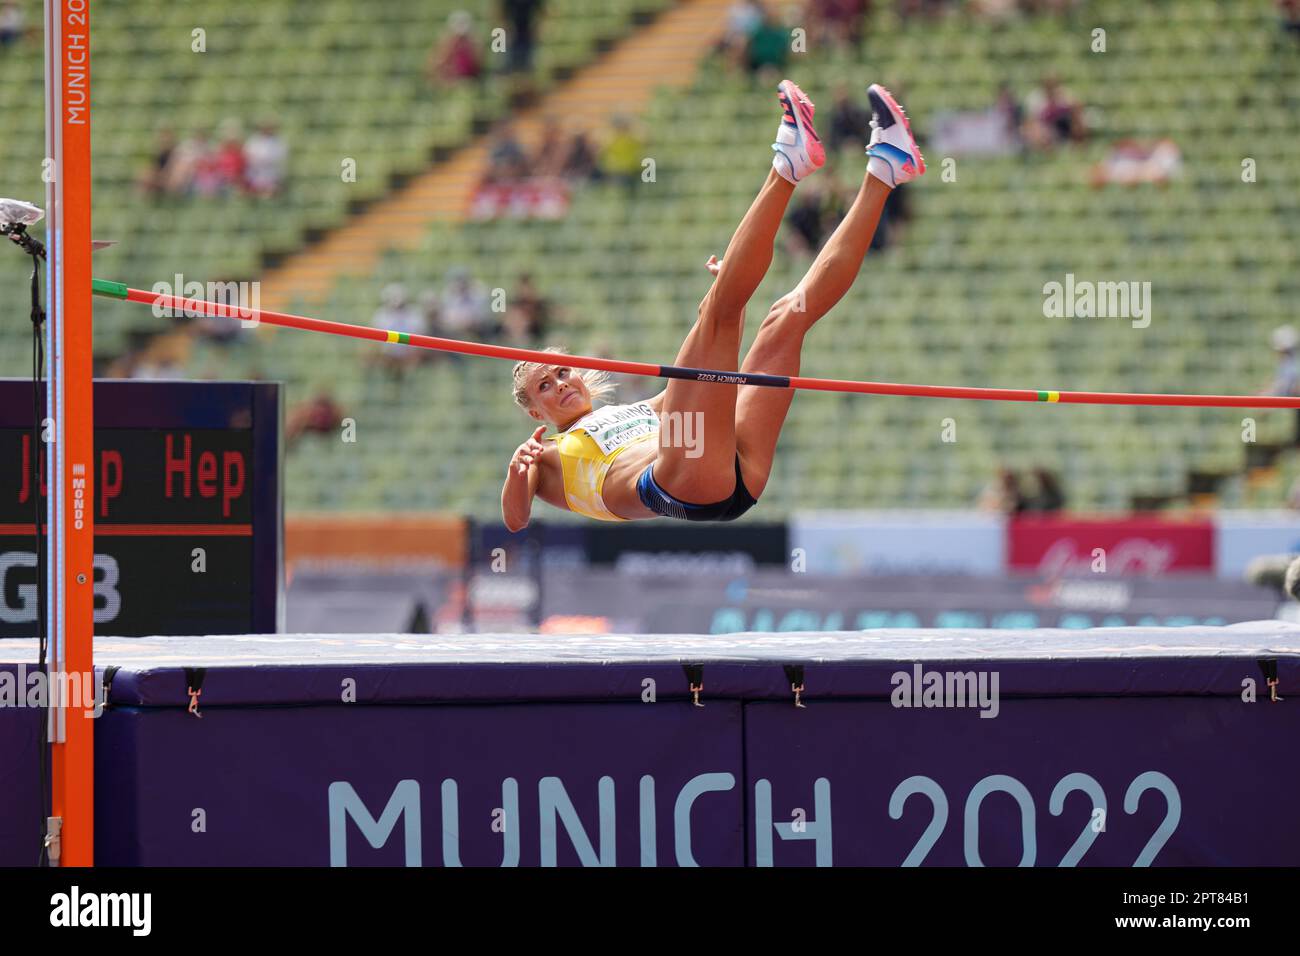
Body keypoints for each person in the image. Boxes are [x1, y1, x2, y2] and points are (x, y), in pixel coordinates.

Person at [502, 80, 925, 527]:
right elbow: (514, 519)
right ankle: (788, 163)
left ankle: (886, 171)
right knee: (714, 315)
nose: (561, 383)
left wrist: (733, 297)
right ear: (534, 412)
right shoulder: (544, 458)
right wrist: (517, 470)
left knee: (785, 318)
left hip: (730, 471)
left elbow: (715, 381)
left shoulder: (640, 411)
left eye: (561, 371)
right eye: (545, 386)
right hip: (680, 485)